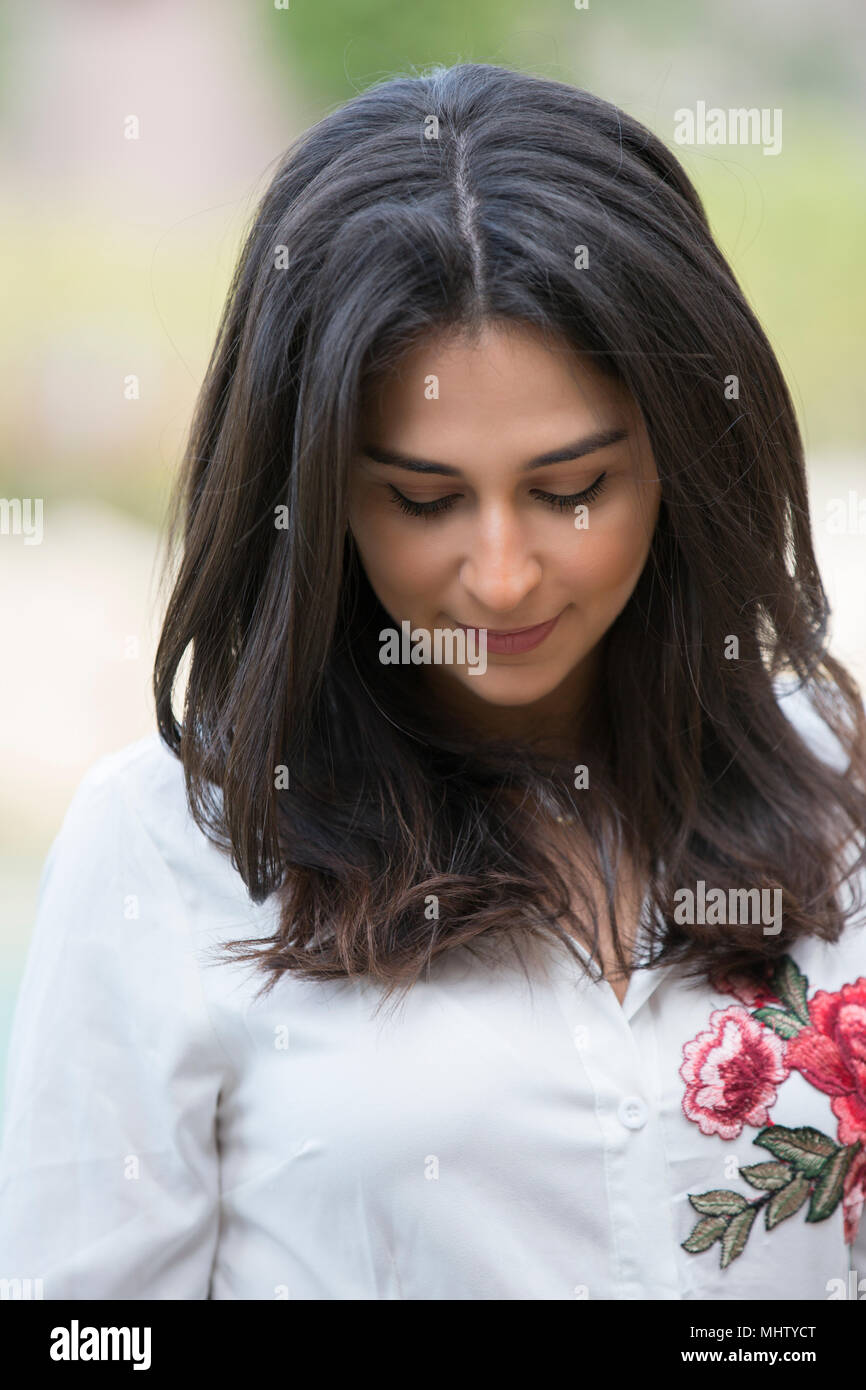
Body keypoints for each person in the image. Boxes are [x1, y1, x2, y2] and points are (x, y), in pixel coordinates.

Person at [1, 61, 865, 1301]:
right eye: (422, 499)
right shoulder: (165, 855)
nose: (502, 577)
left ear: (683, 457)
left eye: (571, 491)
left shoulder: (830, 786)